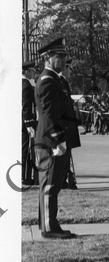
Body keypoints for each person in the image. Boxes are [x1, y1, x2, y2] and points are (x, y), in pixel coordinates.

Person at [34, 38, 80, 239]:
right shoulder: (46, 81)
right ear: (47, 58)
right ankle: (48, 228)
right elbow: (48, 115)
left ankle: (49, 223)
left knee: (54, 185)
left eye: (64, 56)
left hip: (59, 141)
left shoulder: (58, 80)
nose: (63, 60)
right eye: (58, 56)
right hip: (51, 142)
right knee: (50, 185)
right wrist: (59, 140)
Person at [60, 59, 80, 190]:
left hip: (68, 124)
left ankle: (65, 178)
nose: (70, 71)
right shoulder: (58, 82)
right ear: (64, 68)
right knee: (63, 154)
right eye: (69, 68)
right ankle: (62, 179)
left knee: (66, 154)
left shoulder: (64, 82)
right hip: (63, 125)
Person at [22, 60, 38, 187]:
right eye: (32, 70)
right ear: (27, 71)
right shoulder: (26, 85)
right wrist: (29, 124)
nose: (34, 73)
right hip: (25, 122)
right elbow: (27, 106)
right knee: (26, 149)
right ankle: (25, 176)